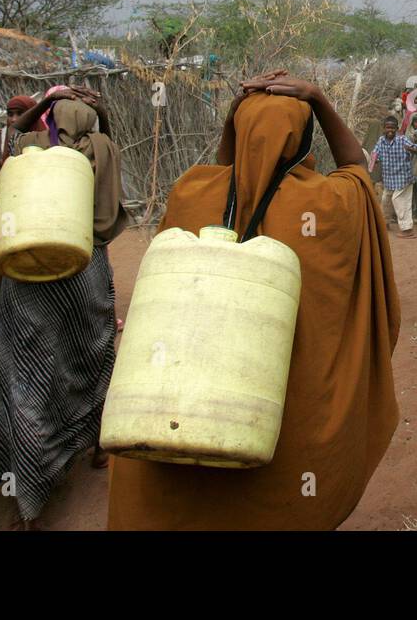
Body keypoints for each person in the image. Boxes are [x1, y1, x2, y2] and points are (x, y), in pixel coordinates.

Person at [108, 72, 401, 530]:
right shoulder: (330, 204)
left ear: (235, 132)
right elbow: (358, 167)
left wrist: (237, 119)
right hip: (274, 421)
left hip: (183, 407)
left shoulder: (191, 193)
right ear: (304, 142)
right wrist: (319, 101)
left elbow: (228, 170)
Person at [0, 92, 130, 529]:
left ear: (50, 118)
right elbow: (108, 138)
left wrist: (39, 109)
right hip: (87, 272)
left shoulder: (29, 150)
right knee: (91, 356)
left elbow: (8, 142)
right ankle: (96, 447)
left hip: (29, 278)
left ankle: (28, 483)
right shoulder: (101, 150)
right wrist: (99, 111)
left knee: (27, 374)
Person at [373, 114, 417, 239]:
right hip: (389, 179)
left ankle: (407, 229)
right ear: (384, 128)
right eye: (388, 128)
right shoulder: (381, 141)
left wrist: (411, 149)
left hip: (403, 178)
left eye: (393, 128)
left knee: (399, 201)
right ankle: (385, 223)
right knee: (385, 200)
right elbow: (375, 154)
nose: (390, 130)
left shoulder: (402, 139)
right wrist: (374, 160)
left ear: (397, 128)